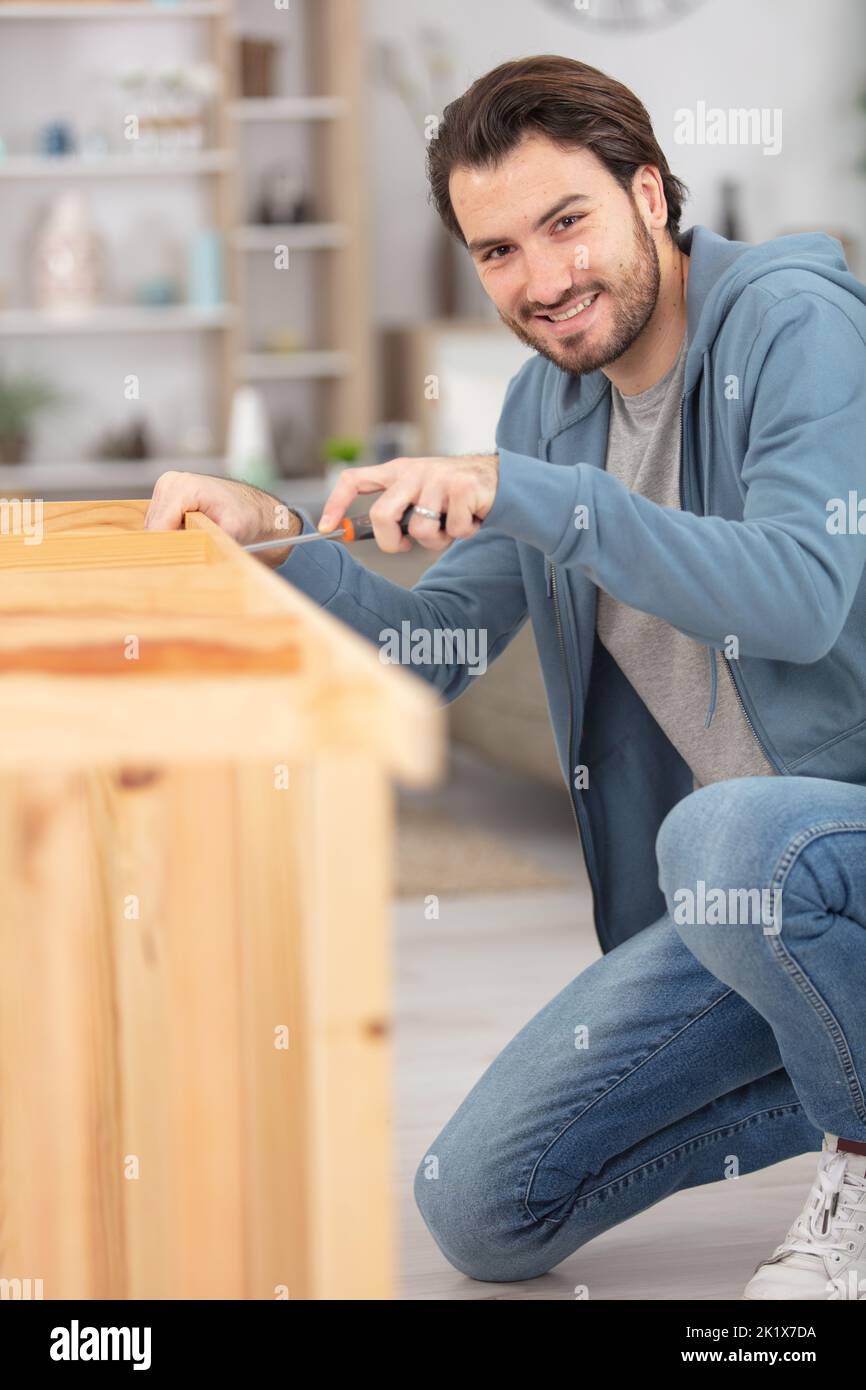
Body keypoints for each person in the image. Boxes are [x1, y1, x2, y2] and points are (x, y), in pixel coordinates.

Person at [145, 55, 866, 1300]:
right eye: (496, 253)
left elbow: (802, 594)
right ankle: (833, 1064)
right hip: (746, 908)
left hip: (805, 846)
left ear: (648, 192)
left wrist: (535, 496)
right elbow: (420, 662)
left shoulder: (796, 326)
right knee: (482, 1207)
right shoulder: (549, 409)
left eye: (565, 222)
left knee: (724, 834)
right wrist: (269, 541)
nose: (541, 283)